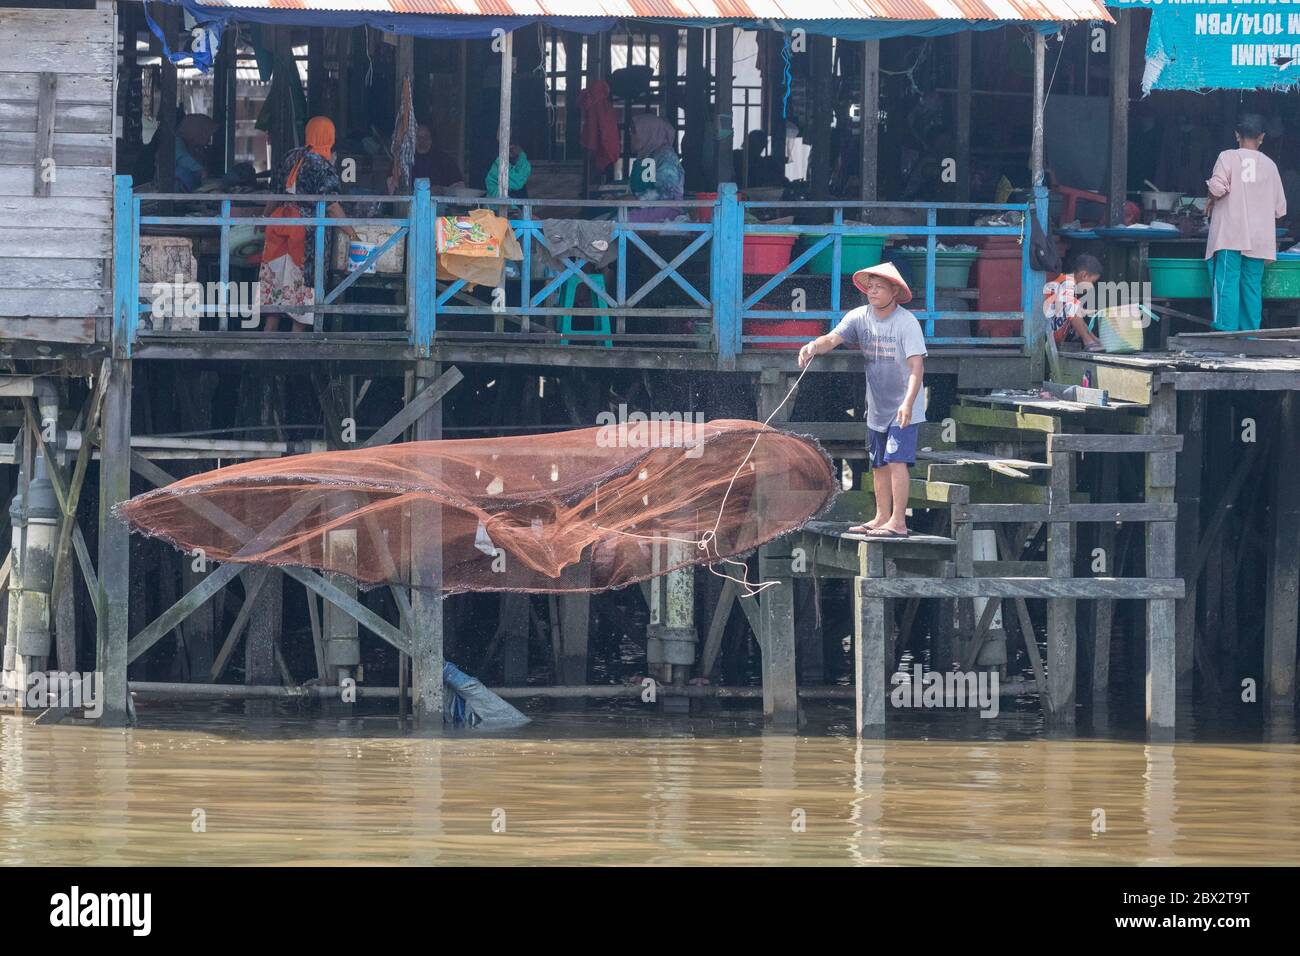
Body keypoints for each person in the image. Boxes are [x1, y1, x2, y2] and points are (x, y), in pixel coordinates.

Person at [798, 262, 927, 538]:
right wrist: (812, 347)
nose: (873, 292)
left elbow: (917, 367)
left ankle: (898, 522)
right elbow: (832, 338)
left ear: (894, 291)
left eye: (880, 287)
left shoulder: (907, 322)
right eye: (870, 287)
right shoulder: (859, 317)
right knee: (878, 462)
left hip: (904, 405)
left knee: (897, 460)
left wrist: (908, 403)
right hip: (877, 405)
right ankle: (881, 517)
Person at [258, 116, 359, 332]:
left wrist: (263, 219)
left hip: (278, 226)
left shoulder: (290, 156)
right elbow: (331, 205)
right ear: (329, 137)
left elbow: (274, 194)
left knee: (277, 280)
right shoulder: (322, 164)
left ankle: (267, 338)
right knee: (301, 282)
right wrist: (352, 232)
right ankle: (297, 341)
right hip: (305, 234)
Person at [1205, 114, 1287, 332]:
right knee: (1251, 287)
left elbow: (1217, 188)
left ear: (1236, 135)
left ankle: (1226, 335)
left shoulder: (1228, 157)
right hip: (1259, 240)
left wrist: (1211, 198)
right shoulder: (1270, 166)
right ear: (1261, 137)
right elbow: (1280, 208)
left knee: (1226, 285)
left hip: (1230, 235)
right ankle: (1249, 338)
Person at [627, 114, 684, 222]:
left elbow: (667, 192)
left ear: (648, 132)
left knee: (611, 226)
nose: (631, 136)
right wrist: (618, 197)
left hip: (665, 212)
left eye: (635, 132)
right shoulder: (646, 156)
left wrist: (636, 199)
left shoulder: (666, 157)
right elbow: (639, 189)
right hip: (644, 208)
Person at [1044, 254, 1105, 352]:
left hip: (1055, 336)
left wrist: (1095, 339)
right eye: (1092, 282)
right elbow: (1072, 309)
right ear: (1084, 275)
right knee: (1074, 307)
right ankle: (1088, 342)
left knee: (1076, 308)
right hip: (1046, 335)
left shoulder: (1069, 286)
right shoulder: (1066, 283)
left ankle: (1092, 340)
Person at [402, 124, 464, 193]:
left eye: (426, 137)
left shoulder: (445, 160)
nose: (422, 140)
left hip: (439, 202)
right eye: (418, 137)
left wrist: (442, 190)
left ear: (431, 139)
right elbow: (394, 186)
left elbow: (459, 187)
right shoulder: (406, 160)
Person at [174, 113, 218, 192]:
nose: (208, 140)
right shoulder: (176, 142)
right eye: (206, 135)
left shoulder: (192, 147)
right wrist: (201, 171)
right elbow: (182, 158)